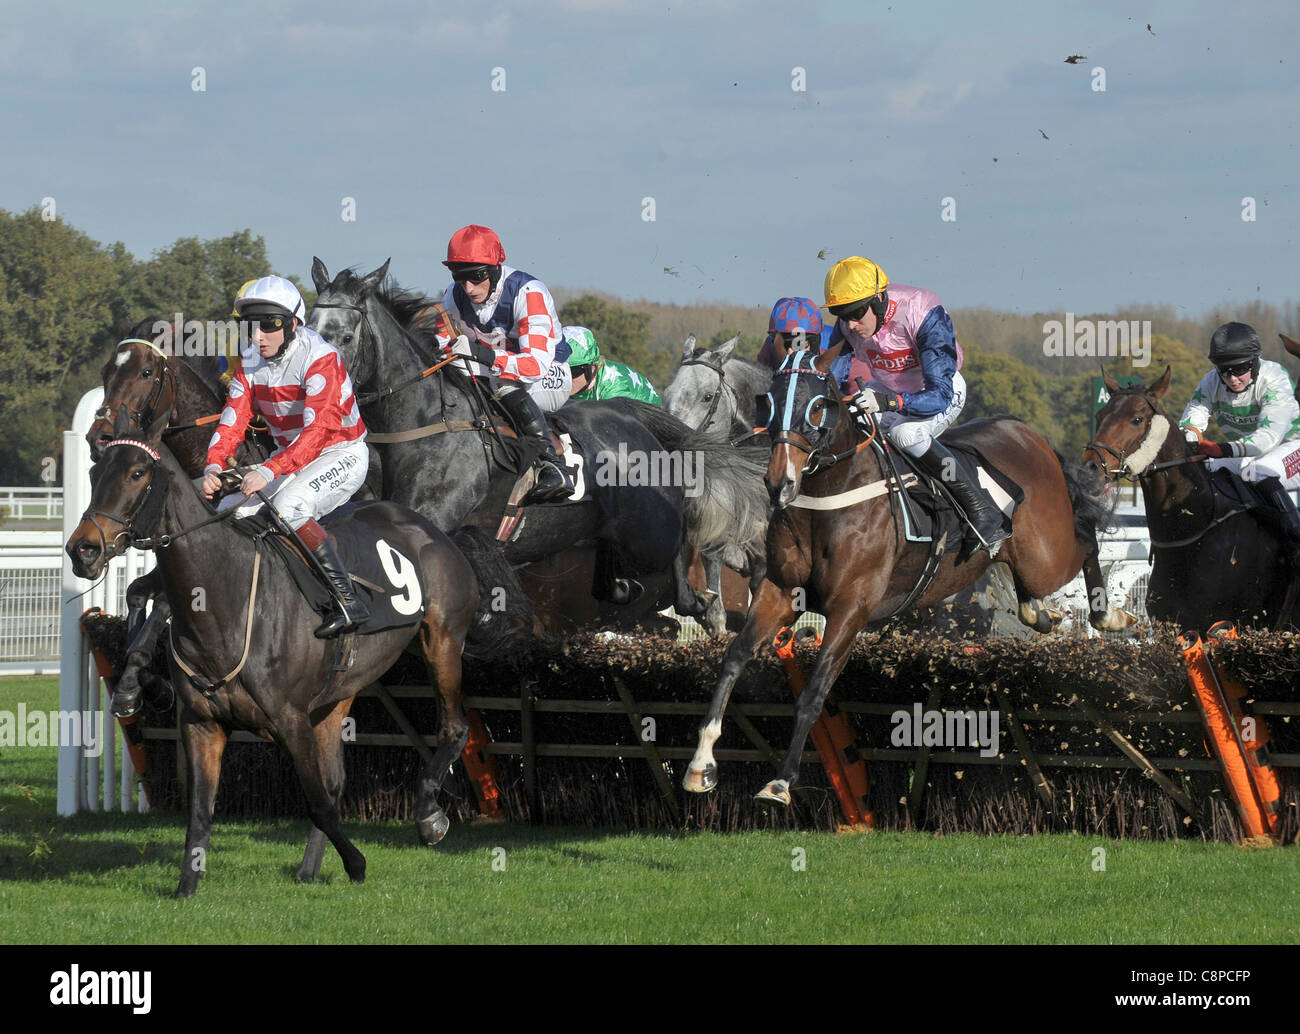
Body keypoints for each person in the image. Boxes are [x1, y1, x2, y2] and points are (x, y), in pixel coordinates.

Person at [201, 275, 371, 638]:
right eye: (250, 326)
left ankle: (347, 600)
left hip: (340, 453)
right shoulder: (249, 361)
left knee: (289, 508)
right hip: (290, 456)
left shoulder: (321, 357)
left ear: (293, 325)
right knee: (228, 511)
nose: (258, 336)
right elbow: (233, 420)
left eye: (269, 325)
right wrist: (213, 463)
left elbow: (318, 433)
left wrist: (268, 469)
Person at [822, 256, 1008, 551]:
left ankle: (981, 511)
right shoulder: (848, 324)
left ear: (879, 299)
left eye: (857, 313)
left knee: (905, 434)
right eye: (841, 315)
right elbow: (830, 376)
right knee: (849, 418)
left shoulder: (922, 309)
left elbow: (939, 394)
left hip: (939, 388)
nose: (850, 324)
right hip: (891, 385)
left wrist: (888, 402)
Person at [434, 225, 575, 503]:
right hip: (500, 370)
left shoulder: (528, 292)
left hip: (549, 374)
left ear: (496, 268)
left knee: (501, 383)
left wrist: (480, 355)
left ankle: (553, 466)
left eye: (476, 277)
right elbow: (439, 341)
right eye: (460, 277)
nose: (469, 287)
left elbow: (534, 366)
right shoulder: (455, 294)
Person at [1179, 321, 1300, 562]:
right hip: (1250, 451)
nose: (1232, 379)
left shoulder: (1275, 378)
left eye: (1240, 369)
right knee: (1209, 470)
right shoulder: (1212, 381)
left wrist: (1219, 448)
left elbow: (1266, 439)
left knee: (1259, 471)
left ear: (1255, 363)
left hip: (1291, 446)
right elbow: (1192, 418)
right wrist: (1192, 439)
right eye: (1225, 370)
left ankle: (1296, 541)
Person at [564, 326, 663, 405]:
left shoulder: (613, 391)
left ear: (593, 367)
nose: (564, 378)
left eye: (573, 371)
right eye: (557, 370)